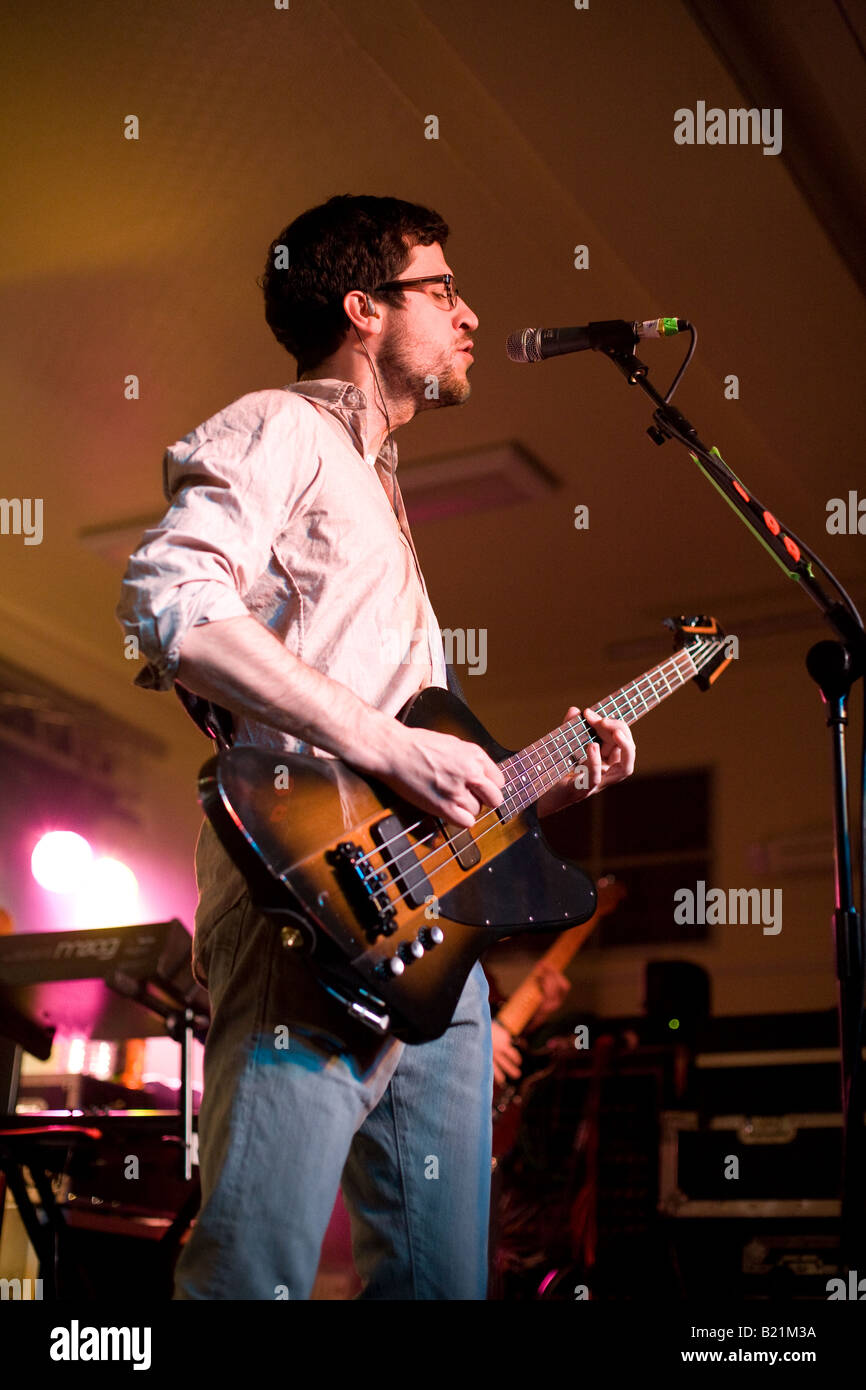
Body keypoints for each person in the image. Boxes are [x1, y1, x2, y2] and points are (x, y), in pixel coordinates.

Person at [116, 194, 635, 1300]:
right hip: (307, 909)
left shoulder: (382, 487)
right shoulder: (282, 428)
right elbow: (174, 605)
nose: (468, 311)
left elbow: (405, 739)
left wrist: (534, 773)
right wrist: (387, 749)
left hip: (428, 935)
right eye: (439, 288)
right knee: (253, 1267)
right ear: (362, 308)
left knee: (443, 1285)